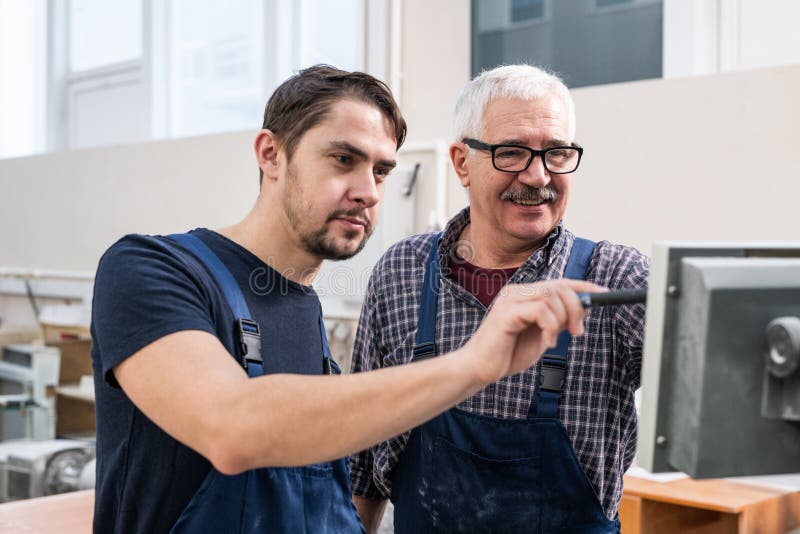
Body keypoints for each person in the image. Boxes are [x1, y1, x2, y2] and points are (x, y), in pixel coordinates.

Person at [90, 64, 604, 533]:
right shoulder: (151, 269)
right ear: (271, 154)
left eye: (381, 171)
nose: (369, 190)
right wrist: (473, 363)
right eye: (343, 159)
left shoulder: (304, 311)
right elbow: (234, 427)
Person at [349, 64, 649, 533]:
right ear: (462, 162)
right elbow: (364, 456)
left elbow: (715, 382)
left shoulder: (613, 280)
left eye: (556, 153)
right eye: (512, 153)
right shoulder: (402, 272)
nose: (537, 176)